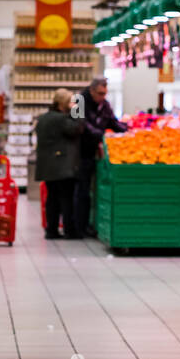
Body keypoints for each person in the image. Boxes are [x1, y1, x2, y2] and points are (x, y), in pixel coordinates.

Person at [73, 76, 125, 238]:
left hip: (96, 152)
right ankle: (78, 226)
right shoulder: (79, 102)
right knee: (82, 191)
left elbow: (112, 122)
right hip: (79, 153)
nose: (103, 97)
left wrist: (128, 131)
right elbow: (80, 124)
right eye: (100, 93)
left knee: (91, 191)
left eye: (105, 94)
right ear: (92, 90)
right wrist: (100, 134)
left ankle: (89, 225)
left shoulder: (104, 105)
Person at [35, 89, 81, 240]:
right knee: (66, 198)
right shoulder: (61, 119)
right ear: (63, 104)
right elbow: (77, 129)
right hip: (62, 165)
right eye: (69, 102)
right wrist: (77, 112)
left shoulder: (43, 118)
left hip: (47, 166)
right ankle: (70, 230)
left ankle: (51, 230)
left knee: (52, 199)